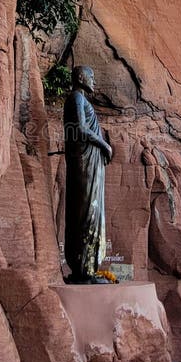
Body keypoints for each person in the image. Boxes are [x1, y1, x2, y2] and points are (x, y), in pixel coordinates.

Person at [63, 66, 112, 282]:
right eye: (91, 77)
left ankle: (89, 269)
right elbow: (81, 129)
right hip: (84, 163)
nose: (94, 81)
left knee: (92, 212)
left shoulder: (82, 100)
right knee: (85, 213)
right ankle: (83, 269)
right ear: (81, 77)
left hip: (91, 162)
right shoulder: (75, 98)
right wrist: (105, 145)